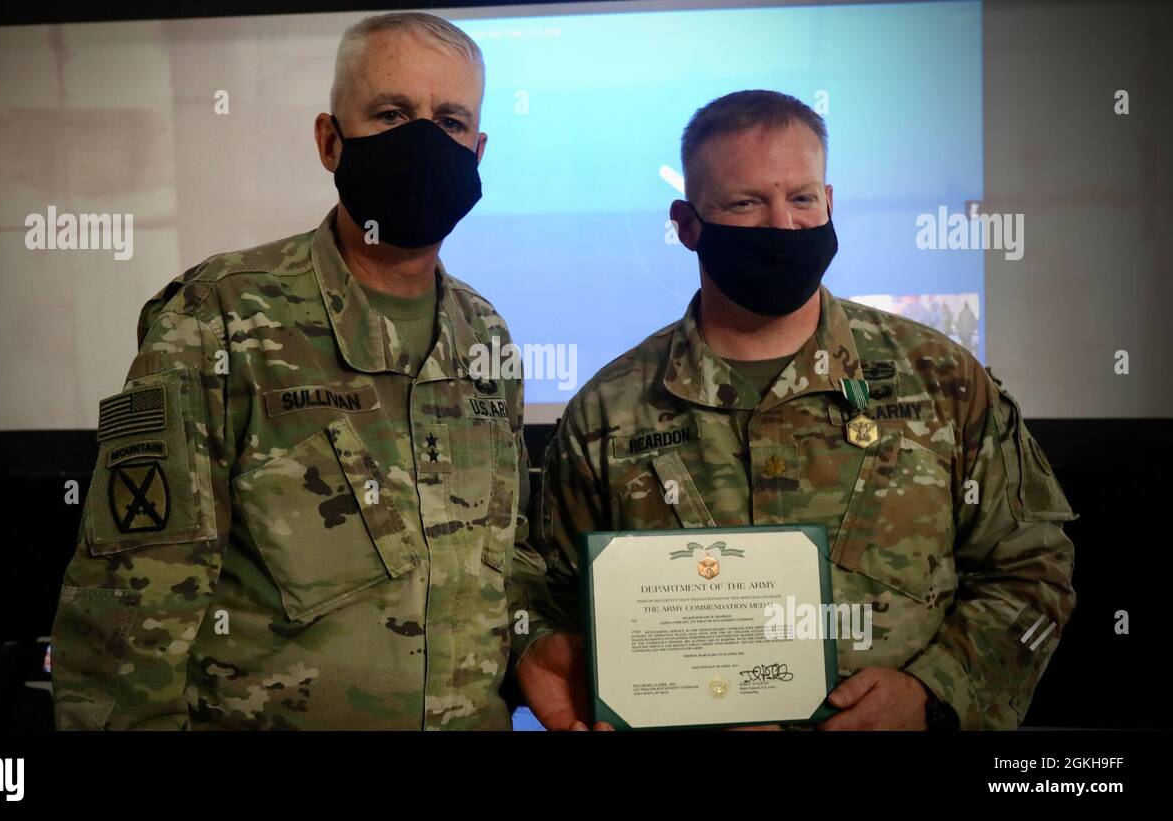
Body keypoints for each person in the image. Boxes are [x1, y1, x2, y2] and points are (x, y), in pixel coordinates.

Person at [512, 90, 1076, 731]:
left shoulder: (941, 379)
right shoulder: (608, 412)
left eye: (802, 198)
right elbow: (550, 599)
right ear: (687, 223)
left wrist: (933, 695)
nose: (782, 225)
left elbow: (1032, 569)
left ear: (829, 203)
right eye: (746, 203)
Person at [52, 11, 529, 730]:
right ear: (330, 141)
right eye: (393, 113)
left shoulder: (485, 335)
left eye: (451, 121)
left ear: (479, 149)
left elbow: (505, 567)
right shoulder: (215, 319)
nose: (425, 141)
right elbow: (125, 619)